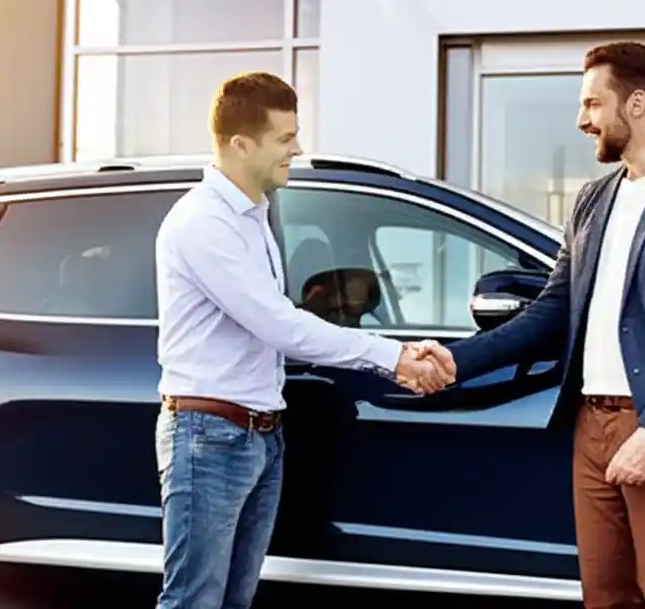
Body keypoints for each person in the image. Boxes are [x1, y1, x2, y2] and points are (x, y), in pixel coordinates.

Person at [416, 42, 645, 608]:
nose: (582, 120)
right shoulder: (592, 200)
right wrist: (458, 360)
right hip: (590, 427)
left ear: (638, 103)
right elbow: (551, 310)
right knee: (604, 597)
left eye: (593, 104)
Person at [153, 71, 454, 609]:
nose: (298, 148)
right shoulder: (203, 222)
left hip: (257, 434)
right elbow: (278, 324)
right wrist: (393, 357)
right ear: (241, 144)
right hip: (210, 436)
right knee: (193, 602)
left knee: (233, 601)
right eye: (285, 139)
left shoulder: (254, 216)